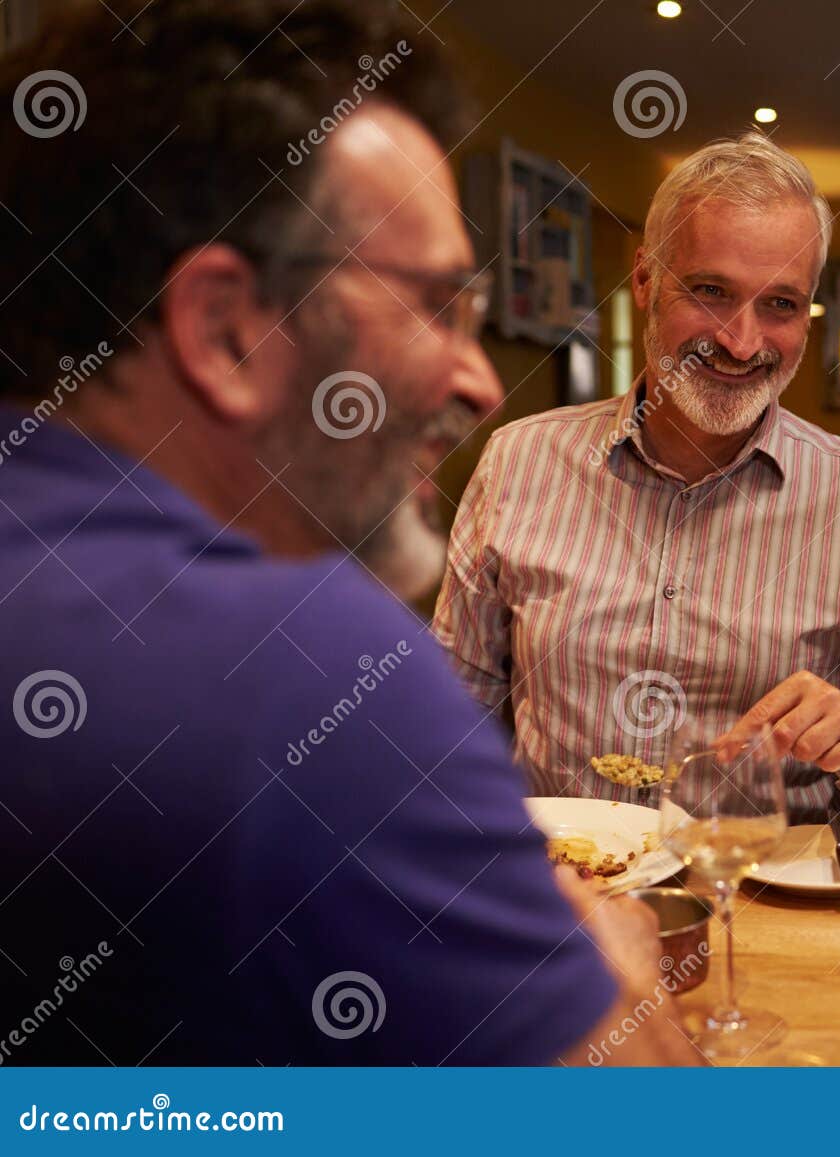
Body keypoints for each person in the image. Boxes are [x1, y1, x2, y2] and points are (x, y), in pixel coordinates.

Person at [0, 0, 696, 1066]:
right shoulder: (300, 670)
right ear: (228, 327)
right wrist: (623, 982)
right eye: (436, 306)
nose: (480, 381)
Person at [433, 135, 840, 836]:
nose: (742, 342)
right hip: (569, 900)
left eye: (780, 304)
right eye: (711, 292)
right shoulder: (517, 463)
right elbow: (442, 723)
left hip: (773, 903)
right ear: (646, 278)